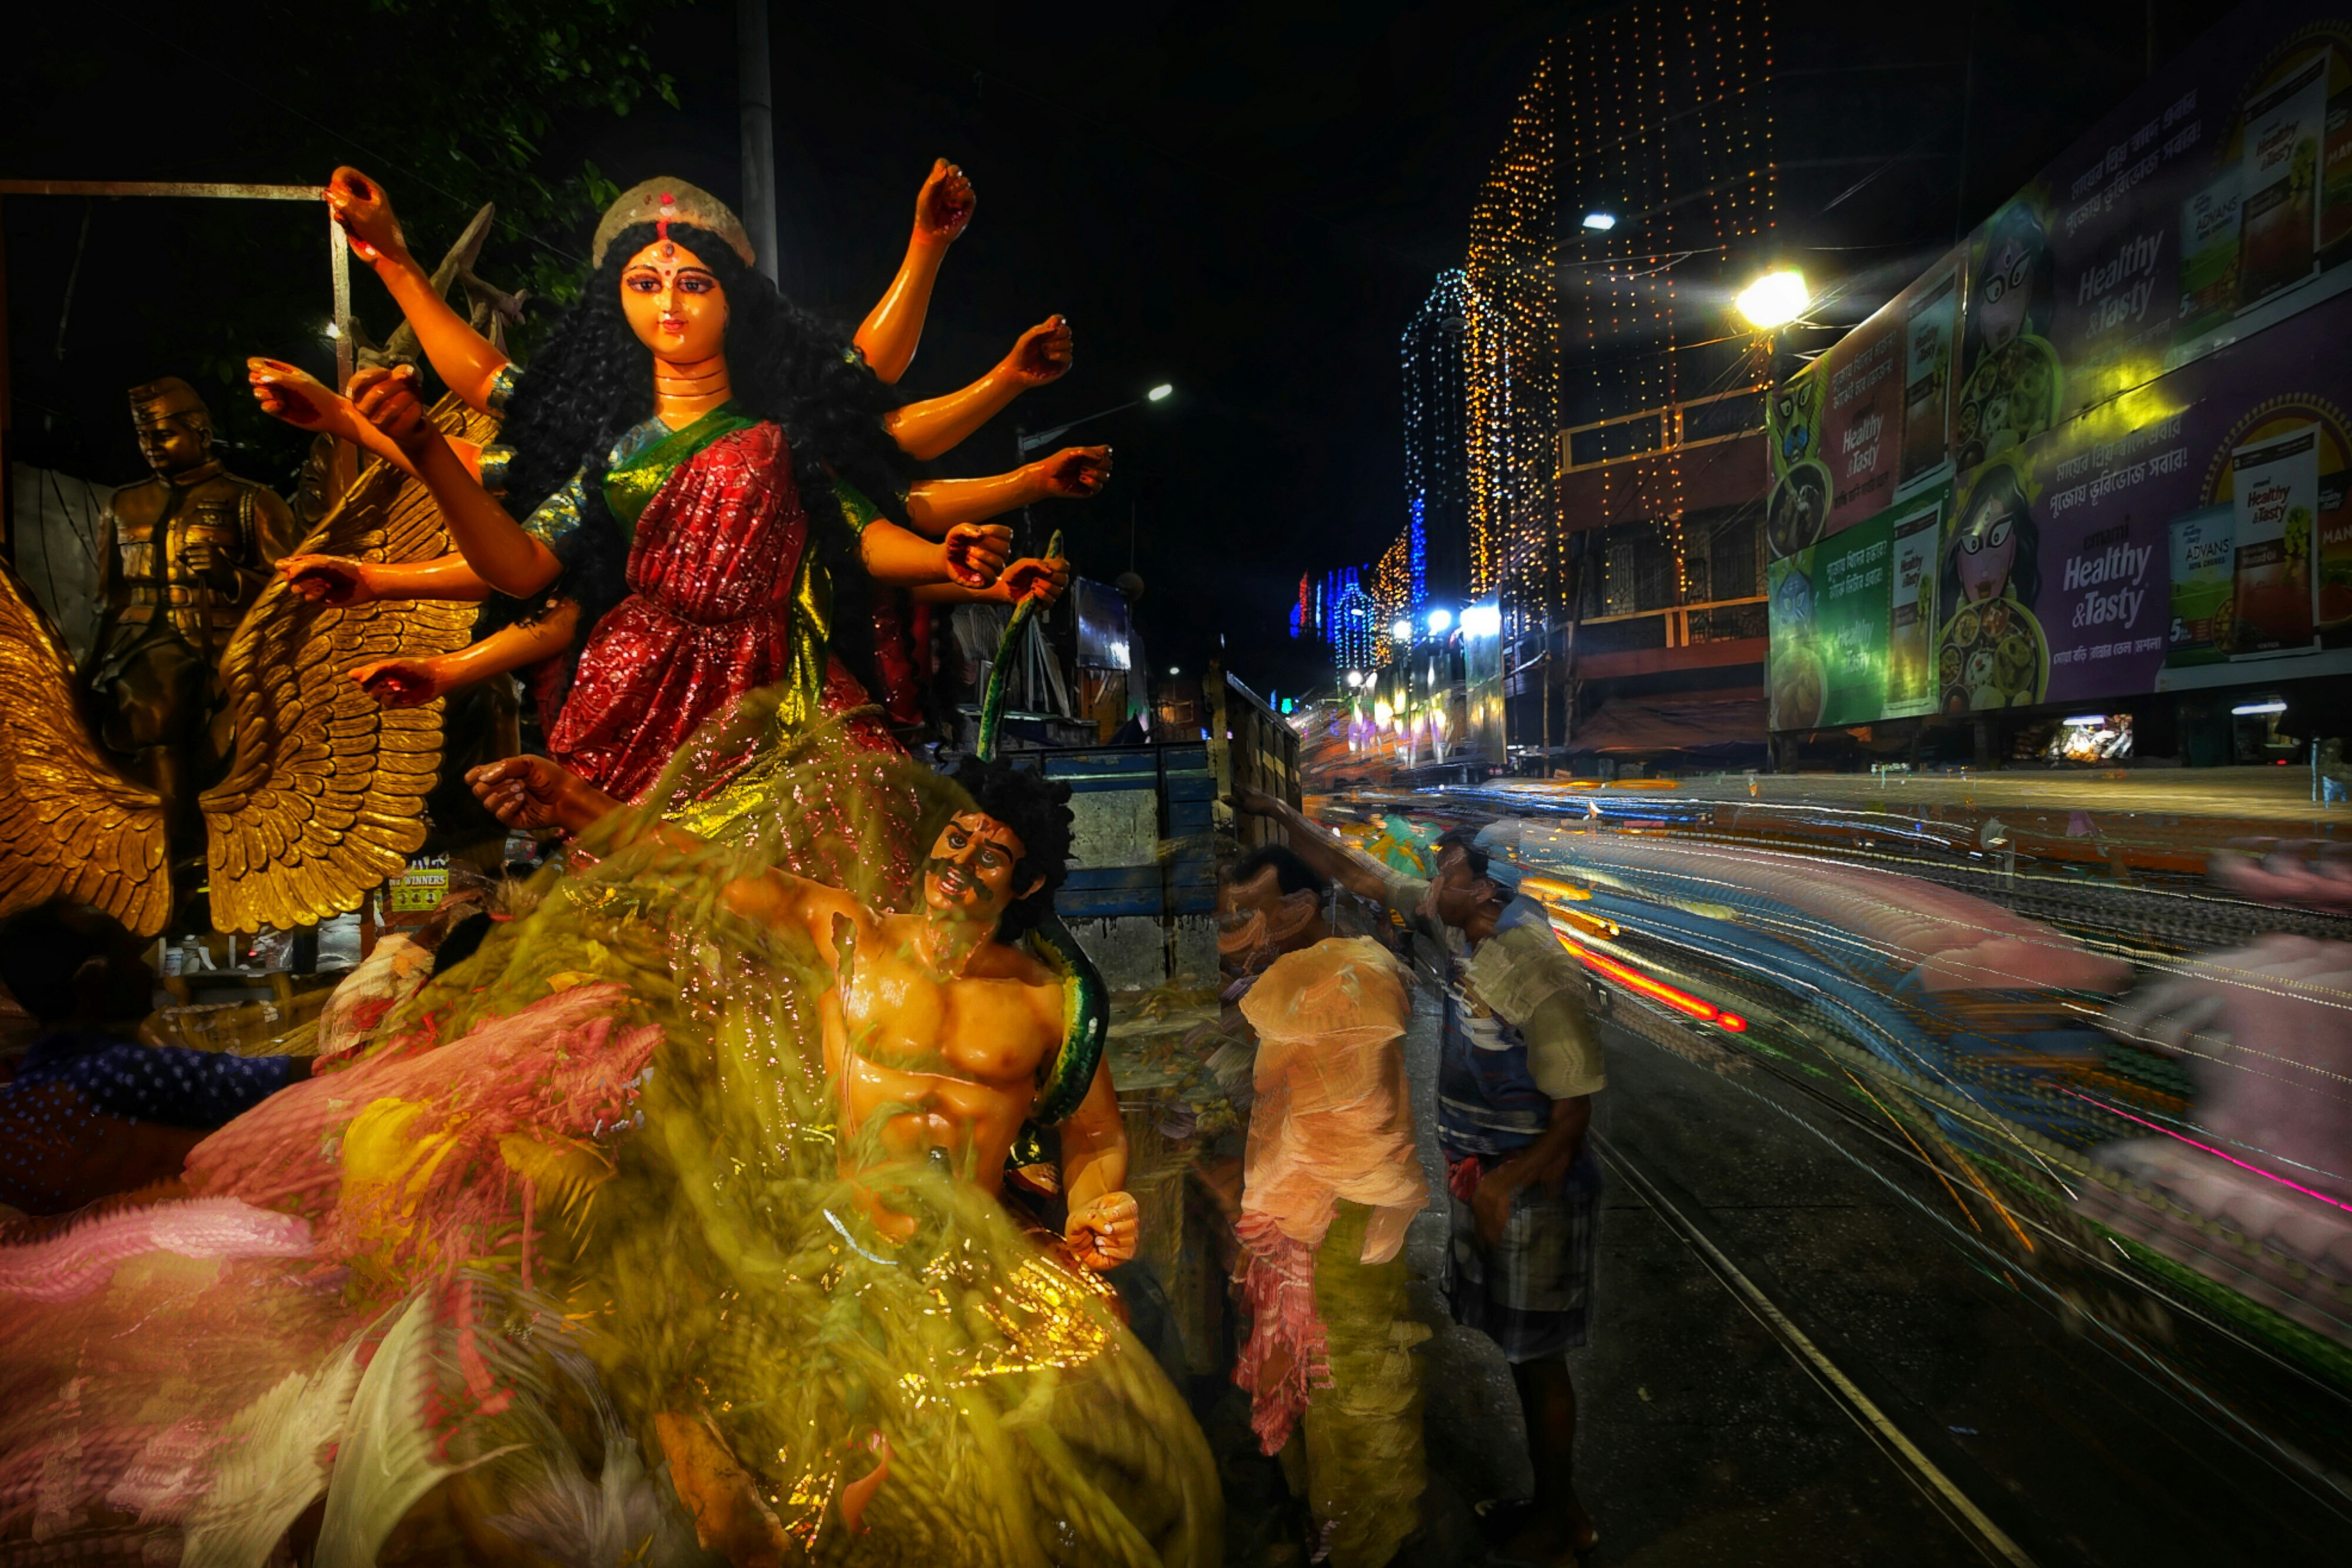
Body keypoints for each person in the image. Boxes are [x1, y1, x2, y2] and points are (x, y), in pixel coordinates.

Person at [249, 168, 1105, 802]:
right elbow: (520, 549)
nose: (671, 306)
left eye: (697, 282)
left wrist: (931, 255)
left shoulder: (784, 425)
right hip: (632, 709)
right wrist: (388, 296)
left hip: (785, 705)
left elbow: (874, 462)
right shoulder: (601, 443)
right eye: (645, 284)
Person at [1236, 789, 1606, 1568]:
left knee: (1538, 1359)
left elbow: (1575, 1113)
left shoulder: (1533, 962)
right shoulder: (1460, 924)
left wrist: (1510, 1184)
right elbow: (1366, 878)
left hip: (1533, 1186)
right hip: (1488, 1177)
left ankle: (1563, 1518)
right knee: (1514, 1350)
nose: (1429, 879)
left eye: (1446, 870)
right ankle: (1549, 1502)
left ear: (1487, 886)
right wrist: (1282, 814)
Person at [1220, 843, 1430, 1567]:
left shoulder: (1348, 982)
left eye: (1250, 912)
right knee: (1309, 1374)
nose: (1236, 926)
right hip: (1302, 1219)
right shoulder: (1304, 976)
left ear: (1301, 910)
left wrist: (1289, 1207)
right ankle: (1330, 1524)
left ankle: (1360, 1543)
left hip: (1341, 1219)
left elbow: (1359, 1123)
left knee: (1352, 1386)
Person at [88, 377, 299, 884]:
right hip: (136, 644)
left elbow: (294, 588)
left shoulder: (251, 501)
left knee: (157, 701)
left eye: (162, 435)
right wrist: (86, 666)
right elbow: (109, 599)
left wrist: (231, 578)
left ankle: (176, 850)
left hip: (225, 642)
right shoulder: (122, 504)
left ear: (201, 432)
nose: (151, 448)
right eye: (143, 438)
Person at [0, 907, 309, 1215]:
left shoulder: (25, 1091)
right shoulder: (122, 1071)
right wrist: (341, 1061)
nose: (149, 971)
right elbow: (255, 1080)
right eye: (132, 958)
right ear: (95, 980)